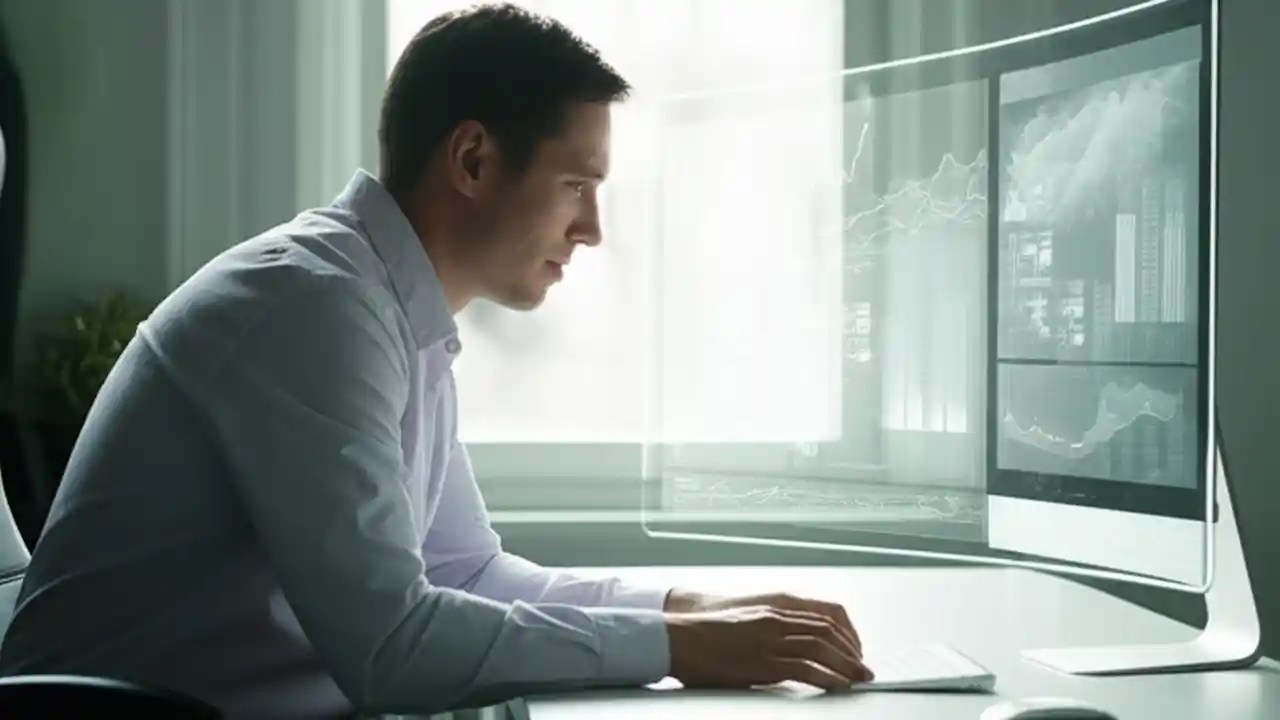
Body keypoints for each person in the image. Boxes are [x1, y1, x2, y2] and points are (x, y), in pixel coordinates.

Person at [0, 4, 871, 717]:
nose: (593, 229)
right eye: (577, 184)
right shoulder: (311, 310)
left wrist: (685, 610)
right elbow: (394, 650)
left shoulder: (384, 310)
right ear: (473, 158)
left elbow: (468, 572)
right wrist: (681, 650)